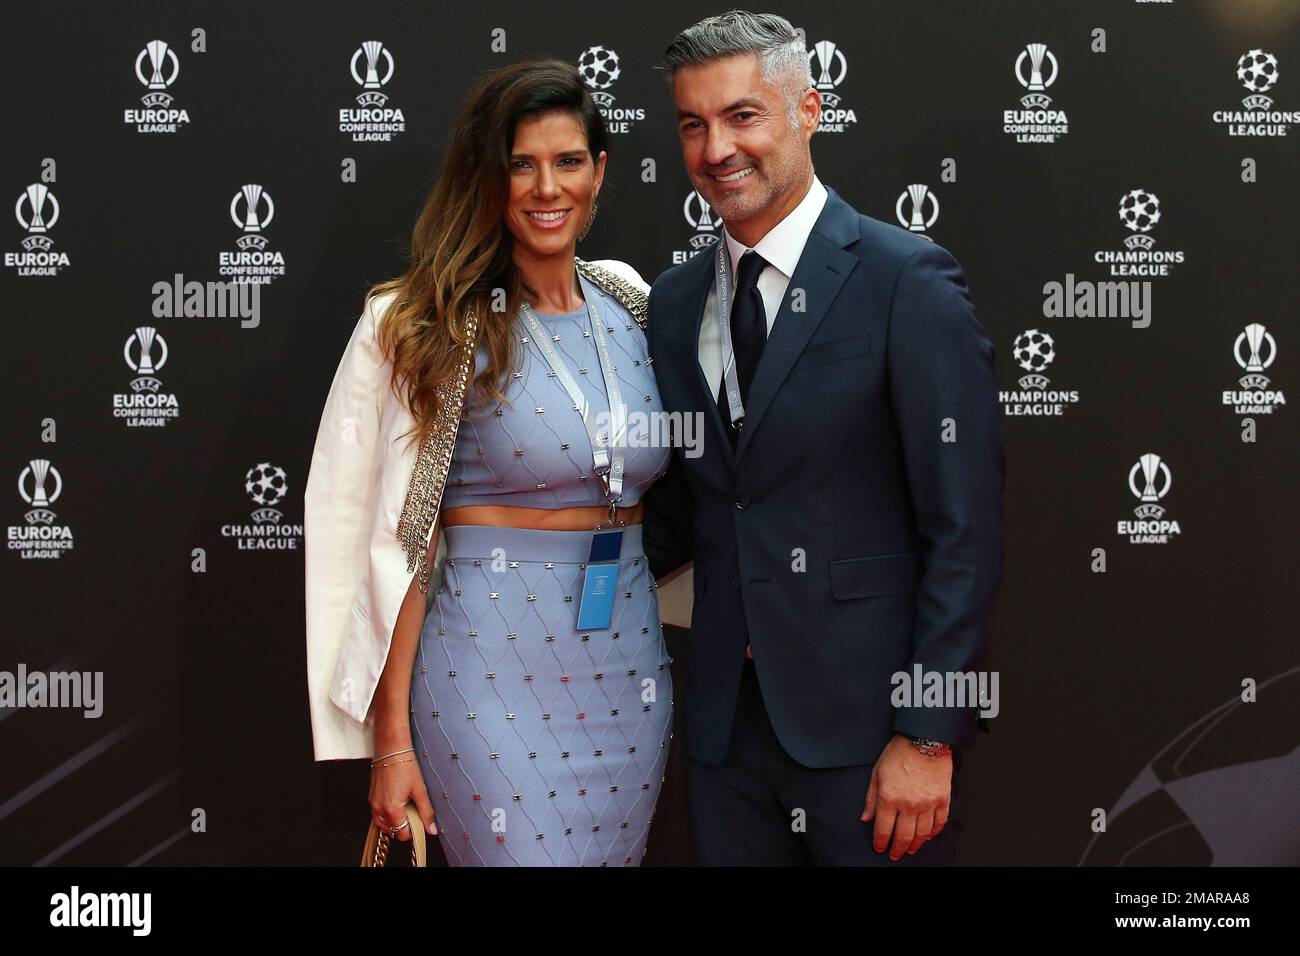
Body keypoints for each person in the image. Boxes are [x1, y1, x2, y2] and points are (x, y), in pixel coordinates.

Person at [641, 11, 1006, 866]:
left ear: (807, 110)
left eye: (742, 116)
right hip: (725, 736)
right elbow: (687, 510)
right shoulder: (672, 301)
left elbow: (966, 530)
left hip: (872, 737)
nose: (716, 149)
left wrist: (928, 735)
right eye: (693, 124)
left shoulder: (903, 280)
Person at [304, 59, 674, 866]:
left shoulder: (633, 303)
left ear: (599, 171)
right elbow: (400, 546)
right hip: (487, 674)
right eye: (521, 164)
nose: (548, 187)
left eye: (568, 161)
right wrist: (391, 740)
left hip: (626, 670)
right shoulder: (423, 322)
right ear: (488, 177)